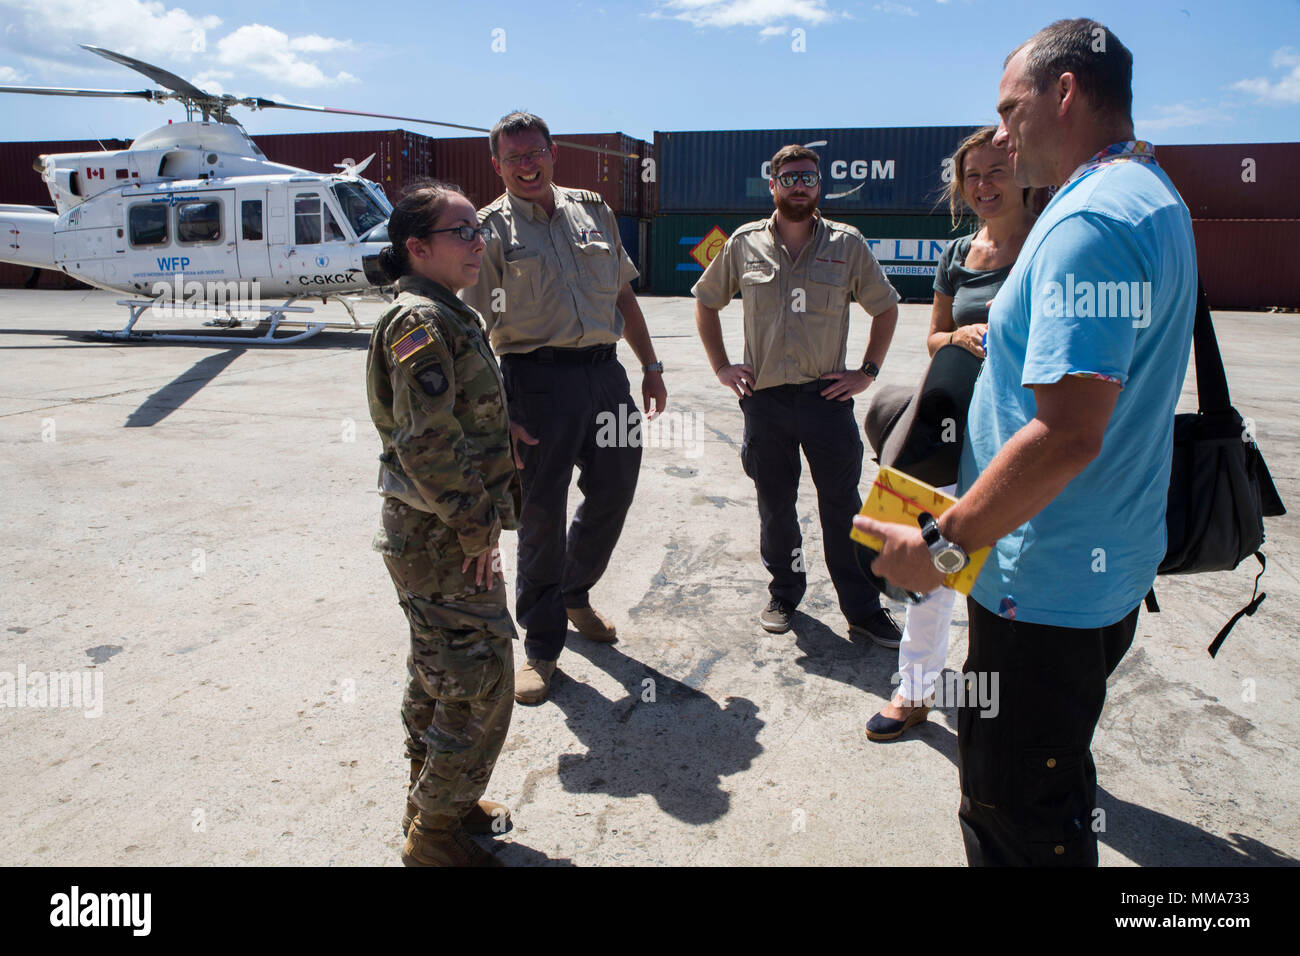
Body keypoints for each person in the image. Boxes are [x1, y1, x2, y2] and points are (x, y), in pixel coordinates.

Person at [856, 19, 1197, 865]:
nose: (1001, 133)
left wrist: (941, 547)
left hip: (1041, 583)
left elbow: (1067, 434)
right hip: (1092, 565)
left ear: (1066, 93)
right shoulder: (1151, 192)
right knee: (1050, 780)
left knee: (1016, 816)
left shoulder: (1091, 225)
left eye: (1011, 109)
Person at [461, 111, 668, 706]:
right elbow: (476, 330)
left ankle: (575, 594)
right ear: (496, 165)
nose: (527, 165)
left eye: (536, 153)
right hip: (535, 382)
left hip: (606, 375)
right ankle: (541, 645)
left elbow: (623, 293)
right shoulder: (488, 229)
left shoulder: (593, 208)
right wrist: (499, 411)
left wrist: (650, 367)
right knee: (542, 515)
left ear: (553, 154)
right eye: (513, 157)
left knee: (615, 490)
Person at [365, 180, 521, 867]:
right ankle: (434, 837)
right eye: (463, 231)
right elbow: (423, 441)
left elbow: (452, 415)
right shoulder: (421, 321)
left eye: (478, 230)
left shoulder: (445, 313)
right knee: (480, 679)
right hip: (441, 534)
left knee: (440, 671)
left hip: (435, 531)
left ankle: (437, 803)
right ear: (417, 248)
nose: (477, 242)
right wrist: (473, 527)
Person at [865, 127, 1038, 740]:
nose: (985, 185)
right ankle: (914, 691)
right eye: (973, 176)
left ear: (1023, 172)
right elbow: (935, 336)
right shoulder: (958, 253)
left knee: (1007, 569)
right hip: (949, 429)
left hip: (1021, 432)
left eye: (996, 171)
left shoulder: (1047, 245)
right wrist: (958, 339)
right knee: (934, 559)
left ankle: (1007, 702)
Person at [693, 144, 904, 647]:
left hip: (827, 400)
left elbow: (886, 308)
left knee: (842, 507)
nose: (799, 186)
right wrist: (722, 367)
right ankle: (785, 592)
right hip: (764, 402)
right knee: (776, 506)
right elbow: (705, 302)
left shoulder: (847, 244)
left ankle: (863, 607)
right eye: (788, 178)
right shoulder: (744, 244)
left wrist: (867, 372)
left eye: (807, 177)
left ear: (819, 185)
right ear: (773, 185)